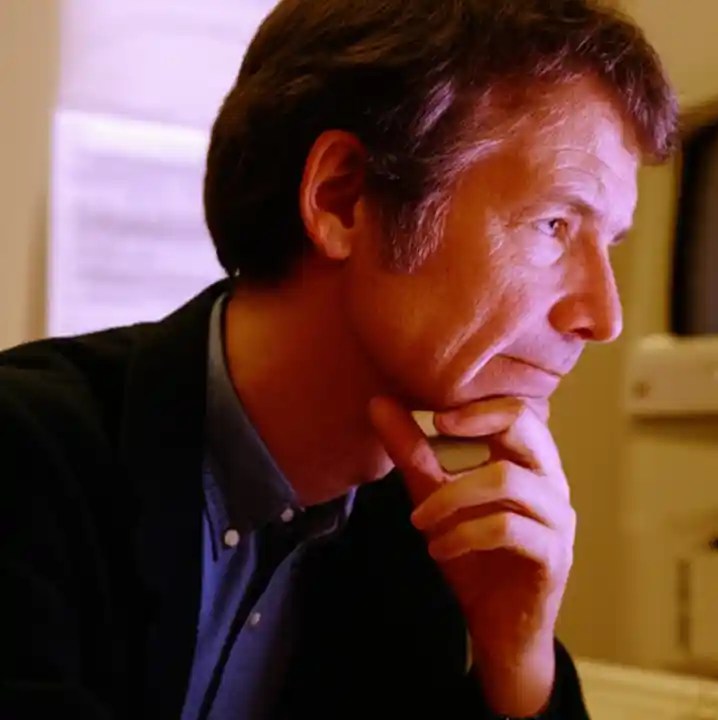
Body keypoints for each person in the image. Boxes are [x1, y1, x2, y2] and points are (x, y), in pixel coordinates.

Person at [0, 0, 678, 717]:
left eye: (608, 244)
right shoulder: (27, 460)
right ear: (343, 198)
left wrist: (517, 658)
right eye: (553, 225)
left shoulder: (432, 537)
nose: (603, 318)